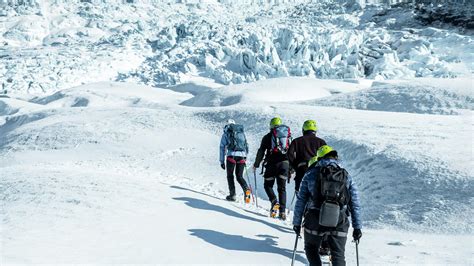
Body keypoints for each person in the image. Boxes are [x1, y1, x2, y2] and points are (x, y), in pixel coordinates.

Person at [292, 145, 362, 266]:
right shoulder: (346, 176)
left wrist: (297, 223)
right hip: (339, 219)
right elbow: (355, 203)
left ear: (319, 159)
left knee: (311, 248)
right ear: (336, 158)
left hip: (314, 218)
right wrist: (357, 227)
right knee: (338, 254)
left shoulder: (310, 174)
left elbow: (301, 201)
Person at [253, 117, 292, 220]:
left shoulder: (267, 137)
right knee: (282, 188)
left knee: (268, 185)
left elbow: (261, 151)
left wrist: (256, 164)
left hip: (271, 164)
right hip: (284, 164)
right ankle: (282, 212)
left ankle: (274, 201)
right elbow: (291, 152)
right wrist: (291, 167)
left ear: (270, 126)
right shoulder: (287, 137)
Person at [288, 119, 327, 192]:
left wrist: (296, 166)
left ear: (303, 129)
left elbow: (290, 154)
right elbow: (326, 157)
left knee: (300, 193)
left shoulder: (296, 141)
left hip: (301, 170)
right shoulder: (321, 142)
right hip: (316, 171)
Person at [219, 119, 251, 203]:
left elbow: (222, 148)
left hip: (231, 156)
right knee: (239, 176)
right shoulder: (241, 132)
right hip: (242, 156)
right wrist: (245, 156)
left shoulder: (226, 133)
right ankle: (246, 189)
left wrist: (222, 161)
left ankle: (232, 195)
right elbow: (246, 145)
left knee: (230, 176)